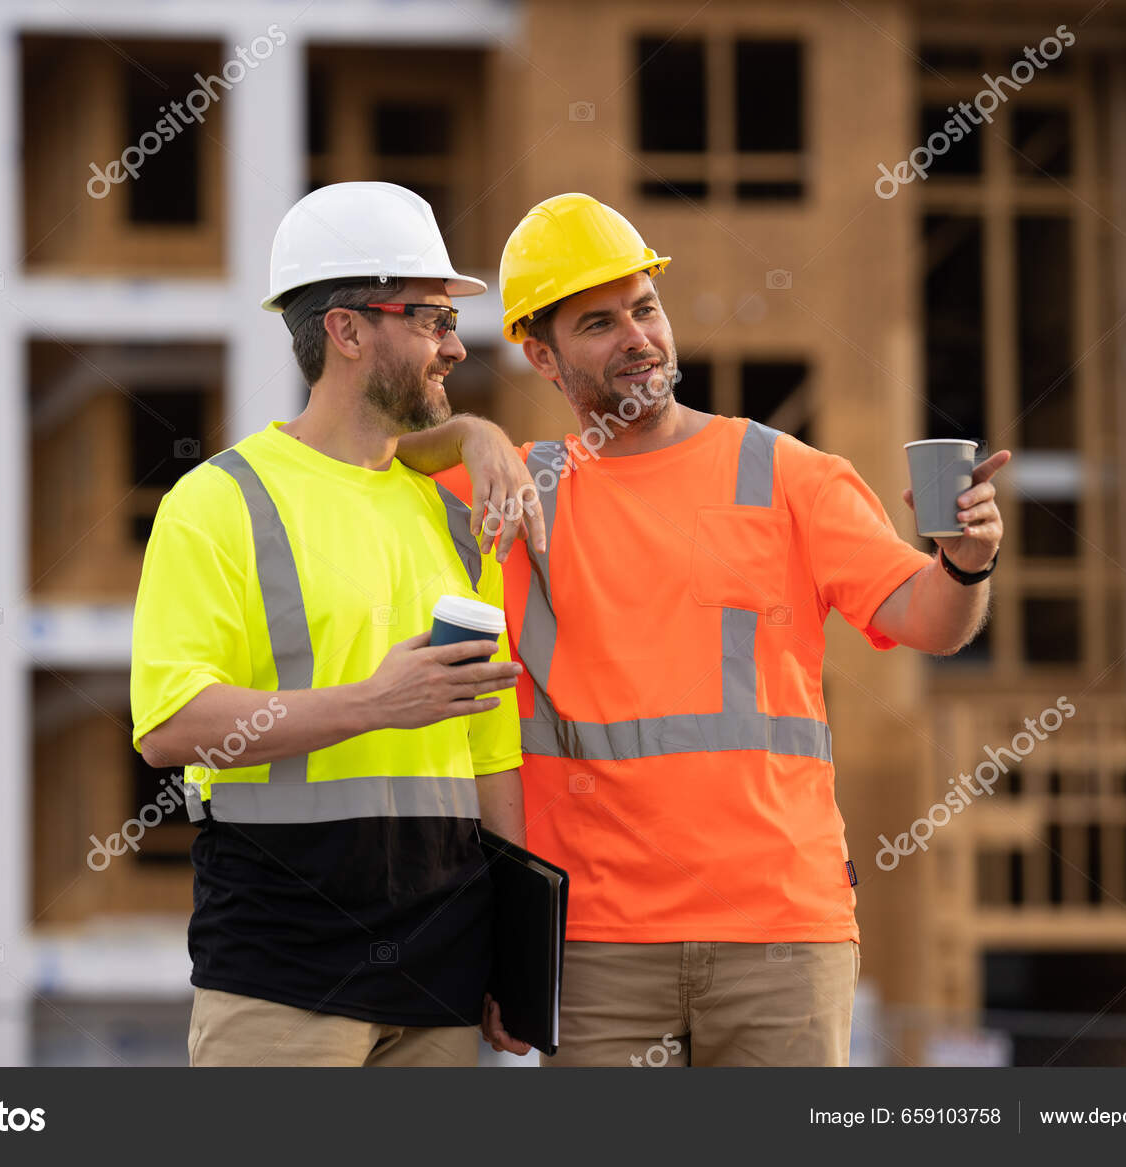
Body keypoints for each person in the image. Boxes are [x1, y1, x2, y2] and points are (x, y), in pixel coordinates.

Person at [399, 192, 1010, 1067]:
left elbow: (929, 618)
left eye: (646, 308)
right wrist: (473, 433)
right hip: (596, 946)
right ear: (541, 354)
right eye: (599, 322)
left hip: (782, 936)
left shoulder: (785, 472)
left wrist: (966, 561)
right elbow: (374, 455)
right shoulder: (518, 491)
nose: (638, 337)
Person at [130, 181, 529, 1067]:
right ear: (347, 330)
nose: (455, 344)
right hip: (281, 974)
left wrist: (513, 947)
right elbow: (168, 727)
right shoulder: (219, 502)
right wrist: (375, 701)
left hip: (441, 980)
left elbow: (491, 751)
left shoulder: (458, 520)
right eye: (429, 317)